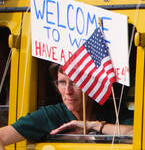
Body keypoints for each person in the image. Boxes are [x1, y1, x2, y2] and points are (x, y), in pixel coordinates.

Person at [0, 62, 132, 144]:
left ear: (91, 85)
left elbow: (137, 134)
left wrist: (94, 126)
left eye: (75, 83)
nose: (68, 91)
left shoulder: (110, 111)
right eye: (62, 83)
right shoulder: (51, 115)